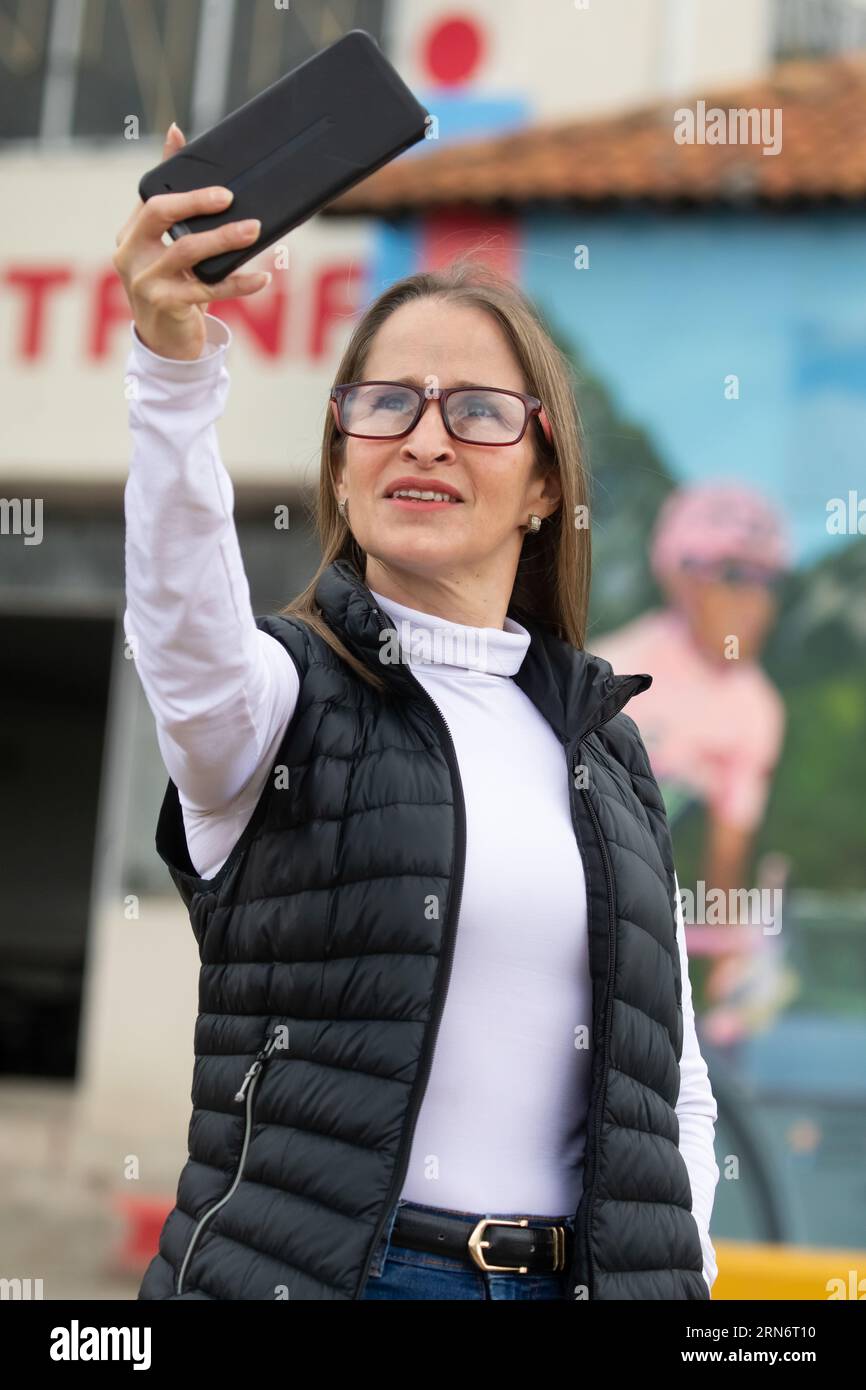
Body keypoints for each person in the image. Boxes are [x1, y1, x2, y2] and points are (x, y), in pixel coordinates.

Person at [113, 123, 720, 1302]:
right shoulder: (275, 699)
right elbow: (184, 631)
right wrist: (173, 363)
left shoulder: (608, 749)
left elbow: (673, 1079)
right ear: (340, 460)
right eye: (384, 403)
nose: (426, 436)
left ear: (545, 486)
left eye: (479, 412)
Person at [591, 482, 795, 1051]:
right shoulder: (618, 667)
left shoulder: (757, 707)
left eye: (768, 580)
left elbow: (727, 857)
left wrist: (727, 968)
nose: (754, 601)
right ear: (684, 579)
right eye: (733, 575)